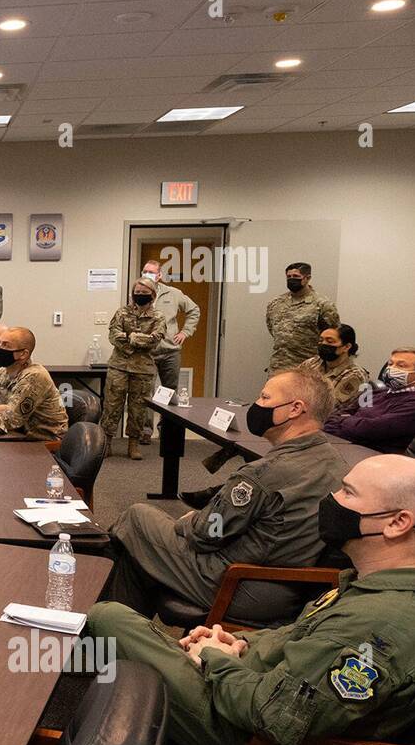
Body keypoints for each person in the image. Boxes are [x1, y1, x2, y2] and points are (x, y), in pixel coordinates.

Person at [87, 454, 415, 745]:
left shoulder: (379, 624)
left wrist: (216, 658)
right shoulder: (371, 585)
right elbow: (297, 638)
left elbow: (276, 716)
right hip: (262, 697)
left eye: (347, 493)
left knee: (107, 618)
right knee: (128, 633)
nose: (331, 500)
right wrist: (239, 642)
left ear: (397, 522)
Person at [103, 369, 346, 617]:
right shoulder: (337, 463)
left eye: (264, 398)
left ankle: (97, 625)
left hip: (239, 583)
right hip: (294, 588)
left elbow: (205, 534)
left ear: (295, 409)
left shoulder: (262, 474)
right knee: (139, 556)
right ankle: (117, 634)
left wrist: (189, 521)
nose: (257, 405)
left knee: (136, 519)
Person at [0, 327, 68, 441]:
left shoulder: (35, 376)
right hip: (16, 435)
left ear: (23, 354)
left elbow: (11, 420)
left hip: (44, 441)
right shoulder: (1, 372)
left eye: (6, 345)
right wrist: (0, 409)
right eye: (0, 343)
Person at [101, 275, 165, 460]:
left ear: (152, 294)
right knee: (112, 405)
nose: (140, 295)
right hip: (119, 367)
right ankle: (107, 443)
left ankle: (133, 445)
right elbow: (114, 336)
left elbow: (155, 340)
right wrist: (136, 341)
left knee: (138, 409)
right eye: (137, 292)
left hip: (143, 369)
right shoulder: (122, 313)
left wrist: (131, 336)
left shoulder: (158, 316)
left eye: (144, 293)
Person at [139, 259, 200, 445]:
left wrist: (185, 332)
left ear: (159, 275)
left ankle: (165, 430)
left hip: (170, 351)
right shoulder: (139, 293)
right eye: (144, 271)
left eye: (151, 272)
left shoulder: (173, 294)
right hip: (147, 352)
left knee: (169, 391)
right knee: (146, 392)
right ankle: (145, 432)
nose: (147, 274)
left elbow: (194, 310)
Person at [325, 347, 415, 453]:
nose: (391, 369)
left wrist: (343, 421)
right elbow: (338, 413)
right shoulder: (376, 392)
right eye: (390, 364)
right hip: (342, 442)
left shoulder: (413, 403)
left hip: (372, 456)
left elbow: (372, 429)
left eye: (401, 365)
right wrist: (348, 422)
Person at [266, 261, 339, 373]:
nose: (291, 279)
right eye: (289, 276)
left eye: (296, 276)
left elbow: (333, 336)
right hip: (278, 367)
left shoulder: (322, 305)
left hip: (308, 369)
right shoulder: (276, 303)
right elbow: (273, 330)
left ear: (307, 278)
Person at [298, 324, 369, 409]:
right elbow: (291, 384)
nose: (323, 344)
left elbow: (329, 407)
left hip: (334, 419)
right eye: (321, 340)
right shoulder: (312, 363)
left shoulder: (355, 375)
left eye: (330, 341)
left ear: (346, 347)